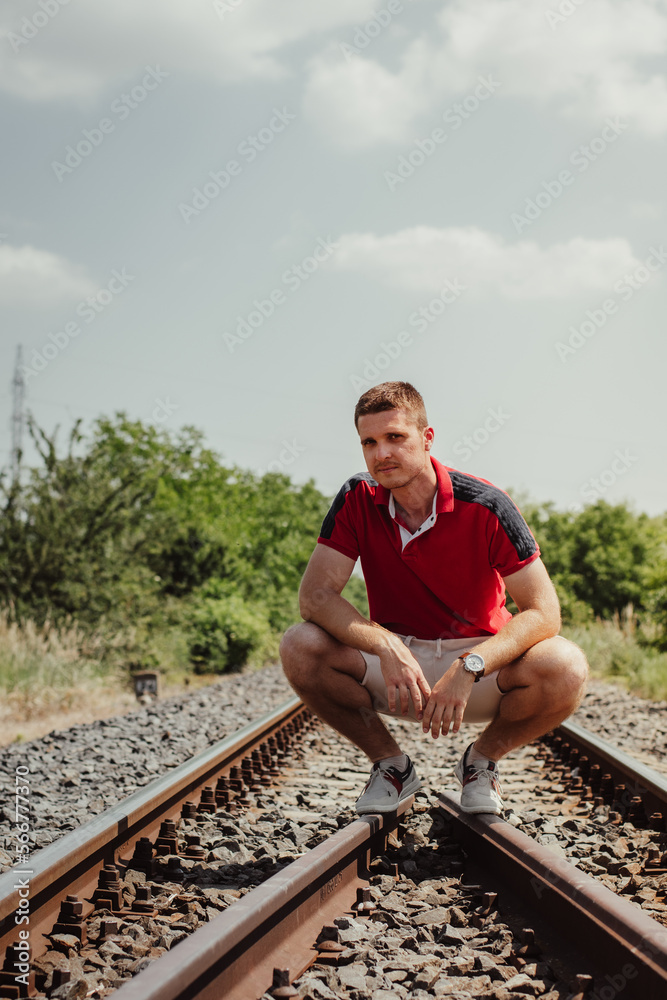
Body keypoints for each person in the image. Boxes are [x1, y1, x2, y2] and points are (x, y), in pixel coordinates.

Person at [280, 382, 588, 816]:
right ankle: (391, 767)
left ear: (426, 438)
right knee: (299, 645)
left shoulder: (486, 504)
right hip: (396, 668)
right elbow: (315, 596)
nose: (380, 453)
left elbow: (543, 612)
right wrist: (385, 645)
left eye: (394, 437)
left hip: (478, 669)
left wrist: (470, 667)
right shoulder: (357, 497)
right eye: (368, 442)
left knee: (566, 664)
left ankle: (481, 763)